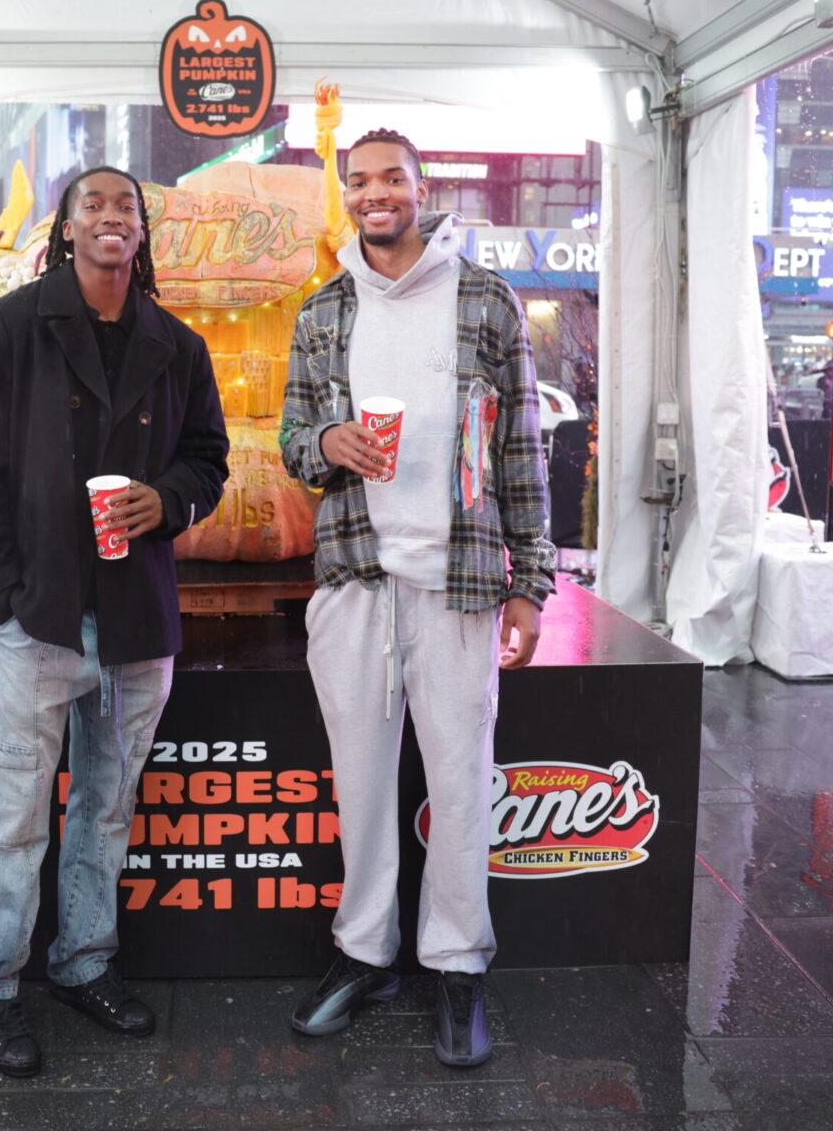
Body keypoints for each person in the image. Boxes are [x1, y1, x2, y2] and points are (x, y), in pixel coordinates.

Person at [0, 165, 229, 1079]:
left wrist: (170, 500)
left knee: (106, 810)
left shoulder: (177, 346)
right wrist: (1, 599)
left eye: (127, 207)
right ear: (66, 229)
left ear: (144, 234)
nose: (112, 217)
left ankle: (84, 965)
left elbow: (209, 459)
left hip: (137, 620)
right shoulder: (12, 328)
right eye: (93, 204)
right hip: (41, 616)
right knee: (15, 819)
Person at [278, 129, 554, 1068]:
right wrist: (328, 445)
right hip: (355, 579)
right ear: (347, 195)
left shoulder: (484, 299)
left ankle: (459, 967)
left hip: (461, 581)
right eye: (359, 181)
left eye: (391, 177)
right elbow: (290, 437)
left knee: (460, 783)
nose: (375, 194)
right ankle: (363, 953)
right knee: (358, 782)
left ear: (420, 188)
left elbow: (523, 450)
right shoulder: (322, 310)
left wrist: (536, 585)